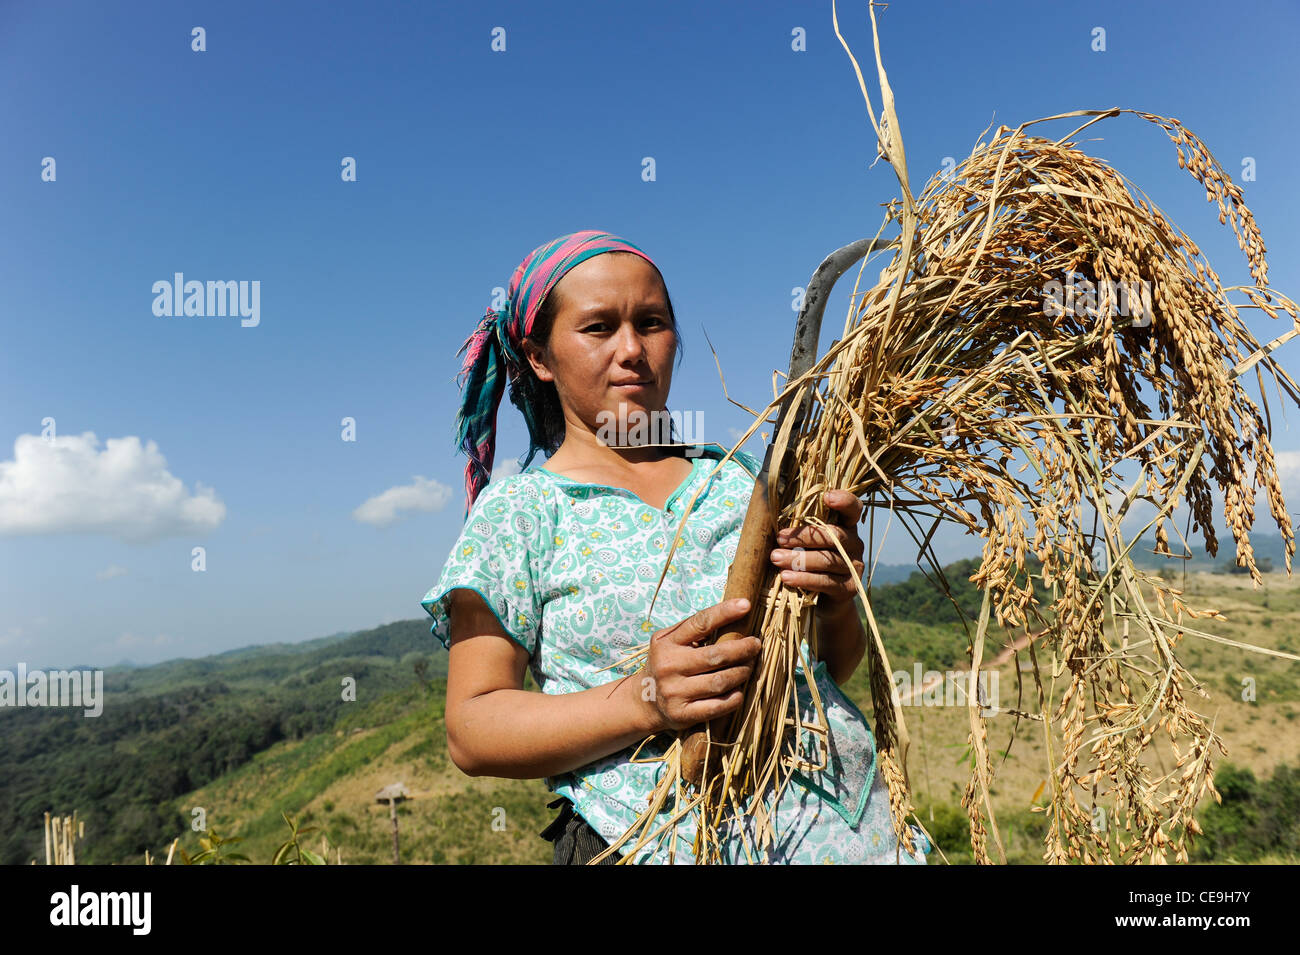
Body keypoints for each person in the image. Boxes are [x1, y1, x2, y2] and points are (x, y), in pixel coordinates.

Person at [421, 229, 930, 864]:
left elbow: (829, 667)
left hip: (848, 833)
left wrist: (831, 601)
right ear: (538, 357)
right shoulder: (521, 516)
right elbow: (473, 729)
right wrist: (646, 699)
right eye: (598, 327)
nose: (632, 350)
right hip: (656, 842)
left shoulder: (742, 482)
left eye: (652, 323)